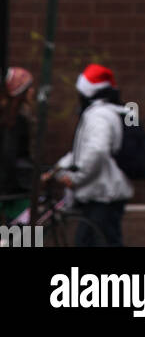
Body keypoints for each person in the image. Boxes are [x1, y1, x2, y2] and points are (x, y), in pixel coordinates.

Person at [45, 63, 132, 247]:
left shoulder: (98, 116)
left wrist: (75, 178)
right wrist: (57, 170)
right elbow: (81, 153)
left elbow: (96, 151)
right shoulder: (102, 113)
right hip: (101, 196)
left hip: (103, 197)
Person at [0, 67, 35, 221]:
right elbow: (10, 156)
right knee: (24, 239)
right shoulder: (17, 120)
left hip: (10, 189)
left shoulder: (11, 118)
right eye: (29, 88)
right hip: (15, 191)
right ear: (20, 92)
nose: (33, 91)